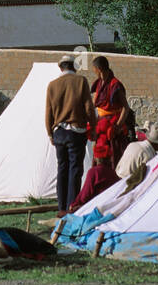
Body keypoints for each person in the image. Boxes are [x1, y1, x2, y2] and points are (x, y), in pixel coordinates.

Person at [45, 54, 96, 214]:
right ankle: (72, 206)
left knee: (62, 169)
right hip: (76, 131)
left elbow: (48, 112)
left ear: (61, 67)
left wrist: (50, 133)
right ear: (74, 66)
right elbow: (89, 107)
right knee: (75, 169)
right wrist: (93, 127)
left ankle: (61, 207)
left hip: (59, 131)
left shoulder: (52, 85)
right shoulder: (81, 81)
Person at [90, 56, 133, 167]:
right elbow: (96, 104)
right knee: (100, 156)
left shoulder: (115, 85)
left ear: (98, 69)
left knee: (114, 156)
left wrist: (117, 126)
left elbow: (125, 107)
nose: (93, 71)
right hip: (101, 123)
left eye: (94, 69)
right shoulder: (99, 83)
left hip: (112, 125)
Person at [69, 138, 119, 213]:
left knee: (63, 213)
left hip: (95, 207)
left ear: (95, 158)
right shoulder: (112, 172)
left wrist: (75, 204)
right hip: (109, 205)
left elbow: (85, 194)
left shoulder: (94, 172)